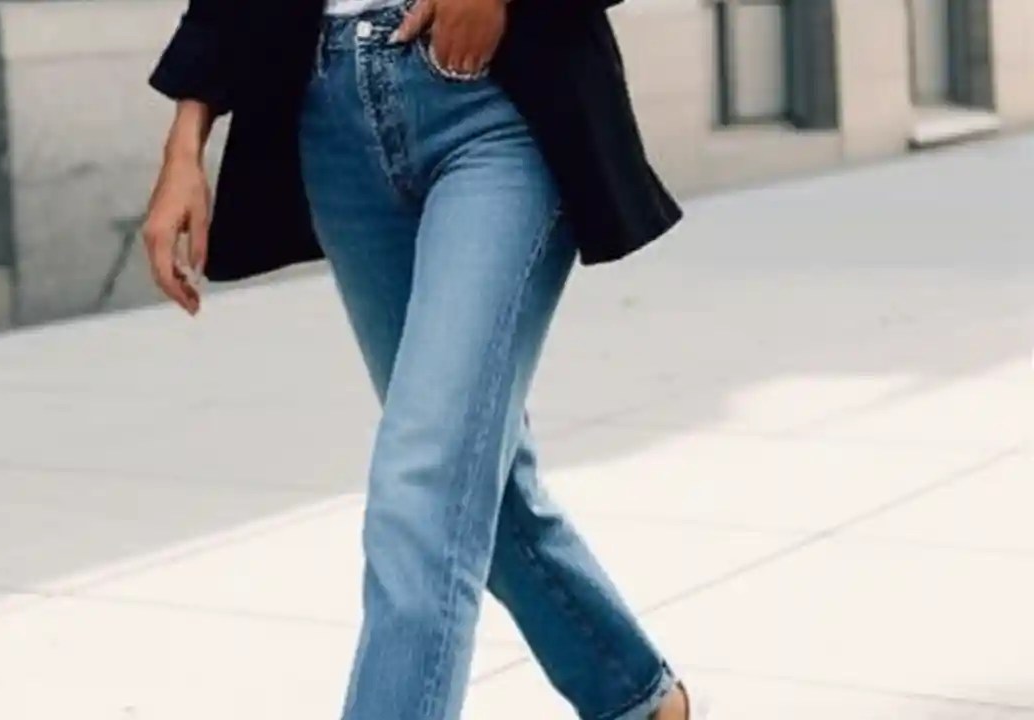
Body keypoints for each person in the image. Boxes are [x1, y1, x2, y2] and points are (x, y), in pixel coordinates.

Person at [141, 0, 705, 717]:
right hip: (332, 117)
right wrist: (184, 143)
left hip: (497, 108)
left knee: (424, 483)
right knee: (470, 478)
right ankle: (640, 701)